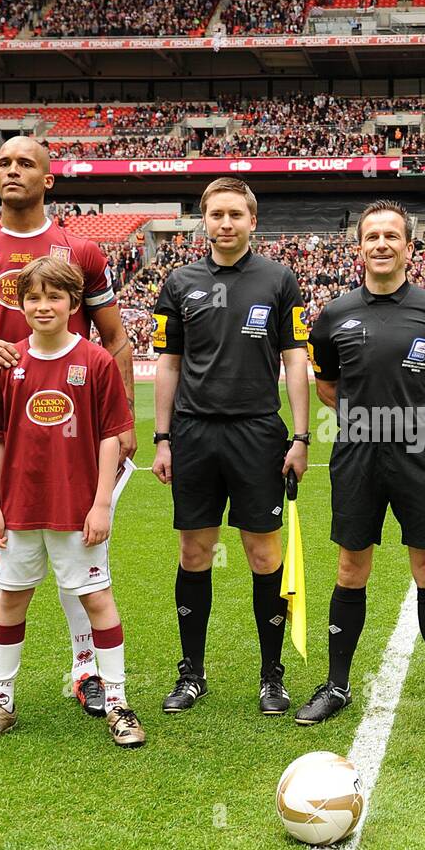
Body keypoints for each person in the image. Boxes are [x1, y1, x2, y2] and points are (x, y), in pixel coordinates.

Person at [0, 135, 136, 725]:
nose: (12, 170)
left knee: (80, 544)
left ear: (50, 178)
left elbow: (114, 337)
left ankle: (87, 671)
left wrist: (122, 422)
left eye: (26, 163)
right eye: (4, 162)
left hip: (73, 423)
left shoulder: (79, 251)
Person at [298, 199, 425, 730]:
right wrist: (368, 422)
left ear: (408, 246)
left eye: (391, 236)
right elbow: (327, 385)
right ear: (360, 247)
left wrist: (416, 422)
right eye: (372, 236)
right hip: (355, 452)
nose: (381, 244)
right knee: (351, 568)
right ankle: (336, 686)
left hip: (417, 454)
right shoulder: (334, 315)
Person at [0, 255, 143, 747]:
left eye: (55, 297)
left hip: (76, 508)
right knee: (11, 600)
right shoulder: (7, 363)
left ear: (74, 303)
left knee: (97, 599)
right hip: (19, 509)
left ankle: (118, 703)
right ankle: (2, 703)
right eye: (34, 298)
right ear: (21, 304)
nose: (44, 306)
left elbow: (112, 436)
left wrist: (102, 501)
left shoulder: (96, 361)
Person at [151, 177, 310, 716]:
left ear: (252, 221)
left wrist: (302, 435)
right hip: (194, 434)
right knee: (194, 553)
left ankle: (272, 676)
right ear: (205, 220)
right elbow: (168, 364)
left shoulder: (279, 279)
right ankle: (191, 673)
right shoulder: (179, 282)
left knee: (263, 554)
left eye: (235, 215)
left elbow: (294, 360)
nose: (225, 223)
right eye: (216, 214)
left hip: (257, 432)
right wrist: (163, 437)